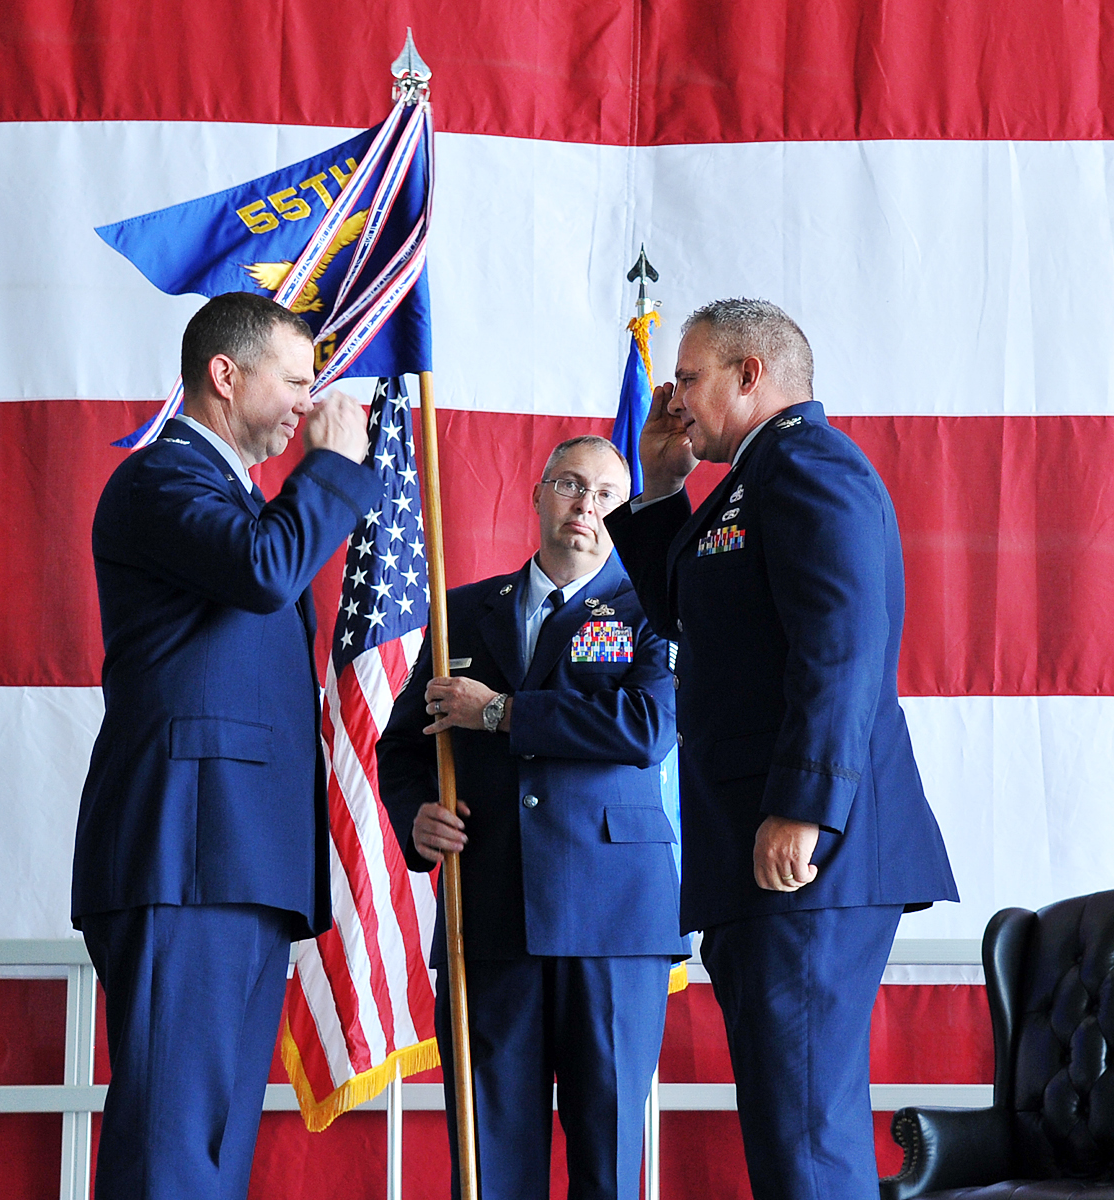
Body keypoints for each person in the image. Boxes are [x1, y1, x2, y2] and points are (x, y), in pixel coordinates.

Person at [605, 298, 959, 1200]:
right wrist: (659, 491)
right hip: (760, 851)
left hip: (807, 854)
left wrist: (804, 806)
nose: (674, 399)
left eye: (689, 378)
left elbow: (842, 646)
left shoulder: (808, 467)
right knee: (786, 1124)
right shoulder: (752, 479)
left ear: (748, 375)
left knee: (803, 1136)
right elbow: (689, 617)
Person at [71, 291, 377, 1199]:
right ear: (224, 375)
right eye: (295, 381)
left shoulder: (237, 498)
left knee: (211, 1156)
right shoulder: (161, 478)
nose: (307, 404)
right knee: (172, 1149)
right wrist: (333, 468)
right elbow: (263, 568)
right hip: (186, 857)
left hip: (238, 860)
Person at [378, 435, 684, 1200]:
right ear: (539, 494)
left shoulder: (655, 606)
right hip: (489, 913)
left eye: (607, 494)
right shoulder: (461, 612)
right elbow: (402, 746)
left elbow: (646, 727)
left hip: (613, 920)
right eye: (571, 485)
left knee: (607, 1160)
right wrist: (417, 816)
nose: (586, 504)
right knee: (491, 1162)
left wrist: (502, 712)